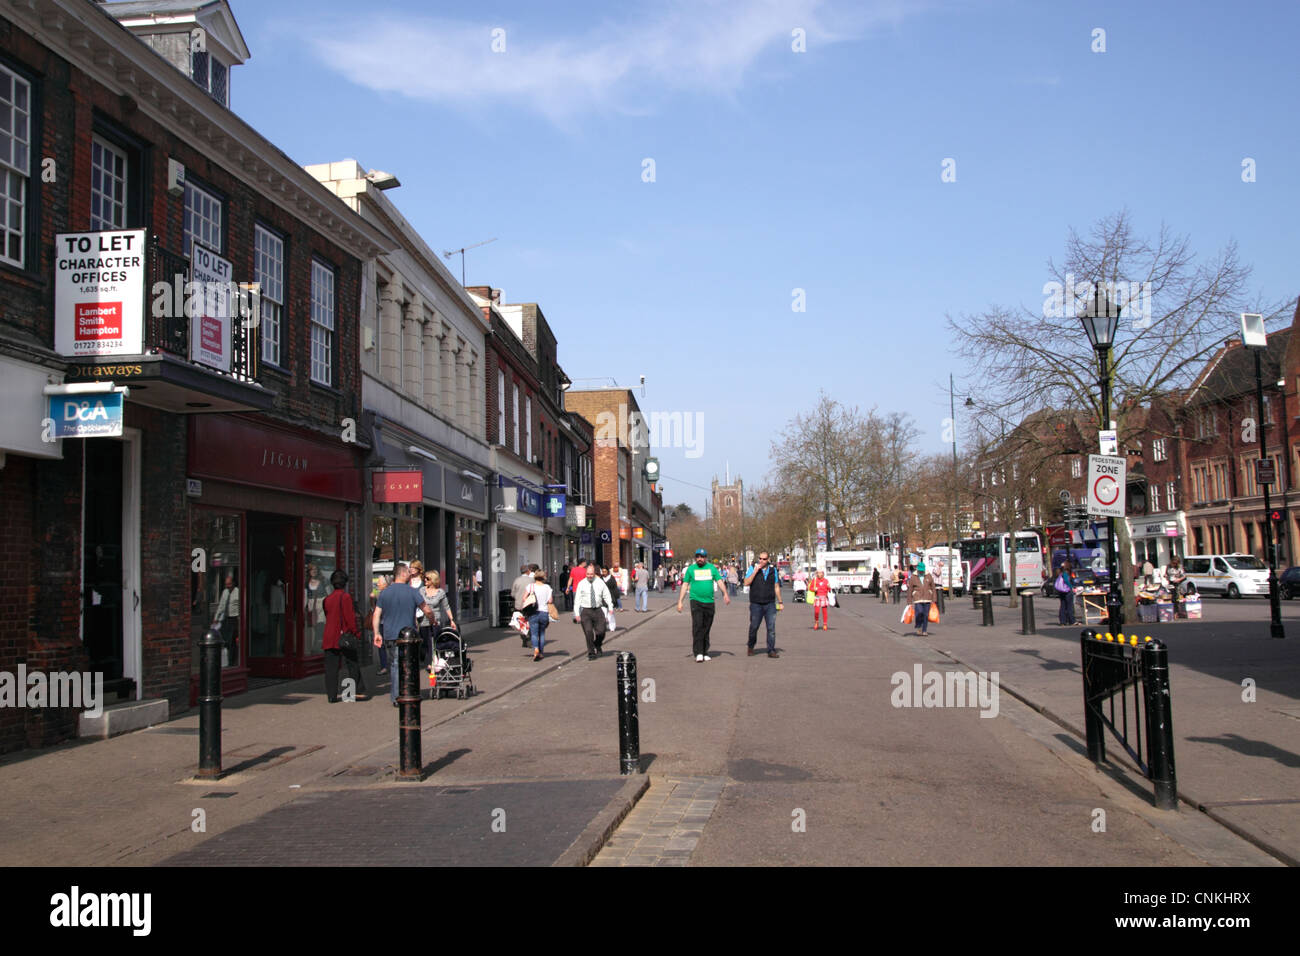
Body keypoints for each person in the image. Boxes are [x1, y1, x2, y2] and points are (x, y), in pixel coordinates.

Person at [372, 562, 434, 706]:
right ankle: (409, 693)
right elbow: (427, 610)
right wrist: (433, 620)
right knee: (410, 664)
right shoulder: (412, 592)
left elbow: (376, 614)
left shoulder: (384, 593)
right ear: (403, 574)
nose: (410, 574)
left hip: (390, 635)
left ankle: (396, 697)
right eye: (408, 571)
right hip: (409, 636)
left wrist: (376, 633)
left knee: (395, 665)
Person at [676, 548, 730, 661]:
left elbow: (719, 581)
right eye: (698, 556)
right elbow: (685, 585)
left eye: (702, 556)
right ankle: (698, 652)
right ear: (695, 558)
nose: (700, 558)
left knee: (706, 627)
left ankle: (705, 651)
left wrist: (725, 594)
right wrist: (680, 601)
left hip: (709, 602)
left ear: (706, 557)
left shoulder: (711, 569)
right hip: (696, 601)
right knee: (697, 626)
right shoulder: (691, 569)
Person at [323, 570, 367, 702]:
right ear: (345, 583)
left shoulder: (327, 599)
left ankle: (331, 696)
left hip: (329, 637)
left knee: (331, 668)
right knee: (352, 664)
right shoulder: (346, 597)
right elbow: (350, 619)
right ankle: (354, 692)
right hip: (344, 636)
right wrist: (357, 633)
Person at [744, 551, 782, 658]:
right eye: (760, 558)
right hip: (756, 603)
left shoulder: (773, 570)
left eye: (764, 559)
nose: (761, 561)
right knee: (754, 626)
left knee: (771, 628)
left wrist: (780, 601)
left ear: (768, 560)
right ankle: (751, 646)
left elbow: (776, 586)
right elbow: (746, 582)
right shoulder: (752, 568)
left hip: (770, 603)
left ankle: (771, 650)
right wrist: (755, 572)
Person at [574, 562, 614, 659]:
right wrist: (576, 613)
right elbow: (577, 599)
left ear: (594, 573)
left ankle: (598, 644)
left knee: (601, 631)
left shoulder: (600, 582)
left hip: (598, 610)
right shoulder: (582, 584)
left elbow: (607, 595)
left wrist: (610, 607)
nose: (589, 576)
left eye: (591, 574)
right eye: (588, 574)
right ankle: (591, 653)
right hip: (586, 611)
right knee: (588, 632)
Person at [212, 573, 240, 667]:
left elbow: (241, 606)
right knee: (226, 640)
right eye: (226, 584)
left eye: (229, 584)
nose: (228, 586)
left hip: (234, 618)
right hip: (226, 618)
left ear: (233, 583)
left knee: (232, 640)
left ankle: (232, 661)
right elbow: (221, 605)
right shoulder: (225, 592)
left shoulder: (238, 592)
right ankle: (227, 659)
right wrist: (216, 617)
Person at [526, 570, 554, 661]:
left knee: (534, 634)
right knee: (542, 633)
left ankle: (536, 649)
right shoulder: (547, 587)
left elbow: (524, 598)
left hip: (533, 612)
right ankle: (541, 653)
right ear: (543, 577)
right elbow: (550, 601)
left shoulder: (530, 587)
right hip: (544, 613)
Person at [511, 564, 539, 647]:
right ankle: (529, 638)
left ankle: (524, 637)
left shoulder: (516, 580)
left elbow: (512, 593)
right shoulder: (532, 580)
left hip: (519, 605)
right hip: (529, 604)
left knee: (521, 622)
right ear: (527, 571)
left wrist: (517, 597)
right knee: (530, 621)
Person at [908, 562, 937, 637]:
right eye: (920, 570)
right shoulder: (913, 576)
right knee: (919, 612)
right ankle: (918, 626)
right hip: (917, 598)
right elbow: (910, 589)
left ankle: (924, 630)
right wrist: (909, 601)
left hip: (927, 598)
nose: (921, 571)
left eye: (922, 570)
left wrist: (934, 598)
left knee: (926, 615)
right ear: (917, 569)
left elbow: (933, 587)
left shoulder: (928, 575)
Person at [1054, 560, 1080, 626]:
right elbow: (1066, 581)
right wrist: (1071, 587)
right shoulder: (1065, 573)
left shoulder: (1060, 573)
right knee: (1070, 606)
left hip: (1061, 591)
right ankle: (1072, 621)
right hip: (1067, 591)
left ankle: (1063, 621)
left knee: (1063, 606)